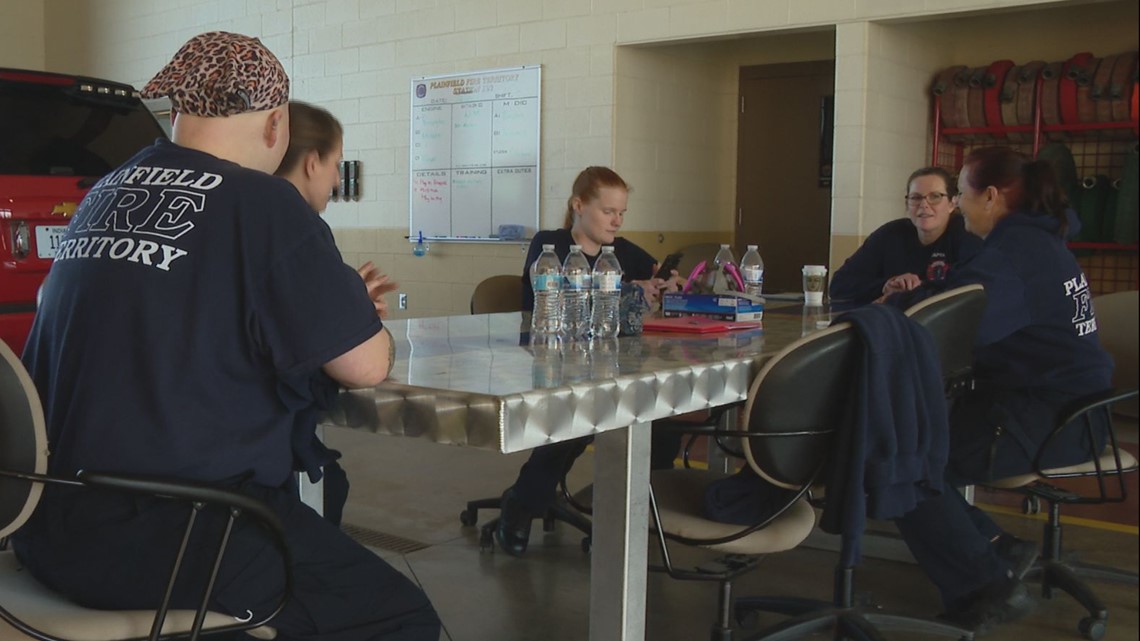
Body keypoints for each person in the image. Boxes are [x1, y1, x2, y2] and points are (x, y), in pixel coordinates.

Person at [14, 32, 439, 640]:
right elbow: (365, 366)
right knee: (399, 617)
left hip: (46, 523)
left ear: (179, 111)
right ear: (276, 125)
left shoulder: (104, 193)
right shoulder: (262, 203)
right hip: (177, 534)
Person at [886, 146, 1114, 634]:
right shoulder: (1037, 244)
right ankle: (994, 546)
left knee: (897, 455)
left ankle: (987, 584)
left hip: (1049, 421)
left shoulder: (1015, 255)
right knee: (914, 443)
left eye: (961, 194)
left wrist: (897, 307)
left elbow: (956, 321)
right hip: (1069, 411)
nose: (959, 207)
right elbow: (965, 298)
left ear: (990, 196)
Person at [497, 165, 683, 556]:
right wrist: (630, 287)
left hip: (607, 359)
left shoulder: (623, 252)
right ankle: (521, 502)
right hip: (552, 356)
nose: (616, 221)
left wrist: (665, 282)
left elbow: (655, 275)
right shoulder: (550, 246)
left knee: (660, 414)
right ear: (578, 206)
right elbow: (553, 296)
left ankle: (638, 508)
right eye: (608, 211)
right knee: (577, 421)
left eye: (622, 213)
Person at [274, 100, 398, 526]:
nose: (335, 180)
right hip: (267, 454)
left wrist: (345, 300)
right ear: (312, 162)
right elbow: (364, 366)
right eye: (335, 165)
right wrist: (357, 313)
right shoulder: (298, 226)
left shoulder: (240, 215)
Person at [829, 166, 982, 306]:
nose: (924, 204)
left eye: (935, 196)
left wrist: (909, 293)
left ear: (952, 203)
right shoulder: (889, 234)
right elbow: (839, 285)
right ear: (907, 204)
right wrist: (886, 285)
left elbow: (966, 293)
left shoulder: (966, 234)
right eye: (915, 197)